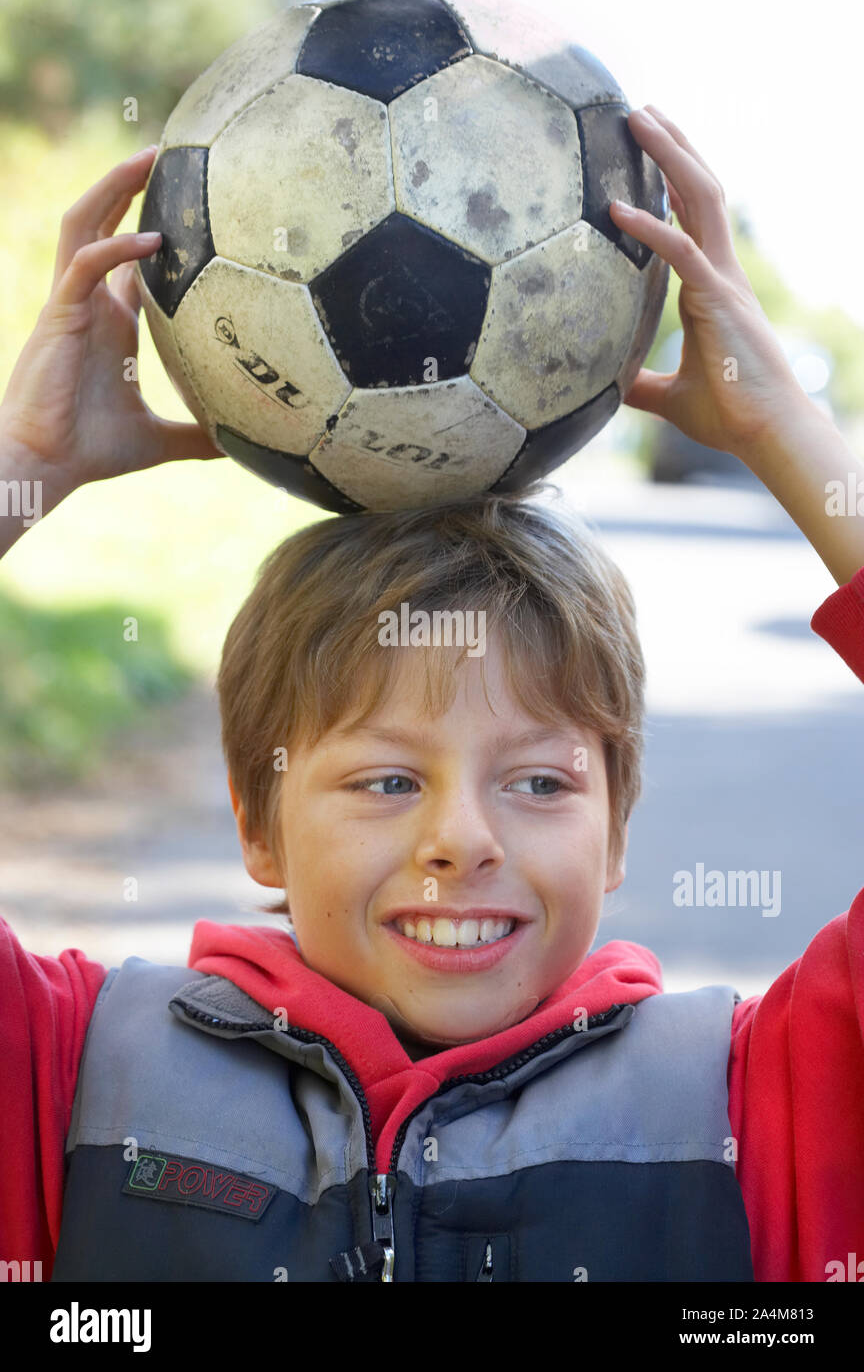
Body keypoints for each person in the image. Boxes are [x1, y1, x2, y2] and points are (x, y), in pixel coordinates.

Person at [1, 107, 863, 1283]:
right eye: (388, 777)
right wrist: (24, 463)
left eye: (542, 781)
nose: (461, 839)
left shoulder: (750, 1101)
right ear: (258, 820)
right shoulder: (74, 1070)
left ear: (615, 826)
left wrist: (791, 435)